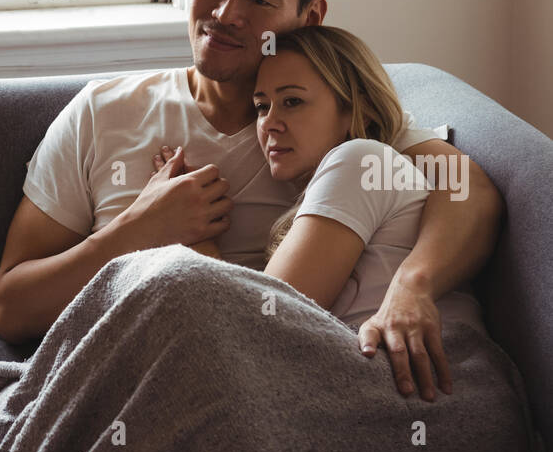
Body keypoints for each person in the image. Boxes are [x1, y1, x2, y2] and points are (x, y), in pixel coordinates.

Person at [0, 0, 504, 401]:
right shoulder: (102, 112)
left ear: (311, 15)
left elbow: (469, 189)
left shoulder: (331, 122)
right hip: (147, 369)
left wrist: (415, 284)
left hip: (250, 383)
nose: (225, 13)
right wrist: (139, 231)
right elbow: (11, 308)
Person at [150, 24, 490, 340]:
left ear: (359, 107)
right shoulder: (355, 174)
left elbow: (262, 327)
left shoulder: (360, 160)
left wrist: (196, 239)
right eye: (261, 106)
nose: (269, 123)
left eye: (292, 101)